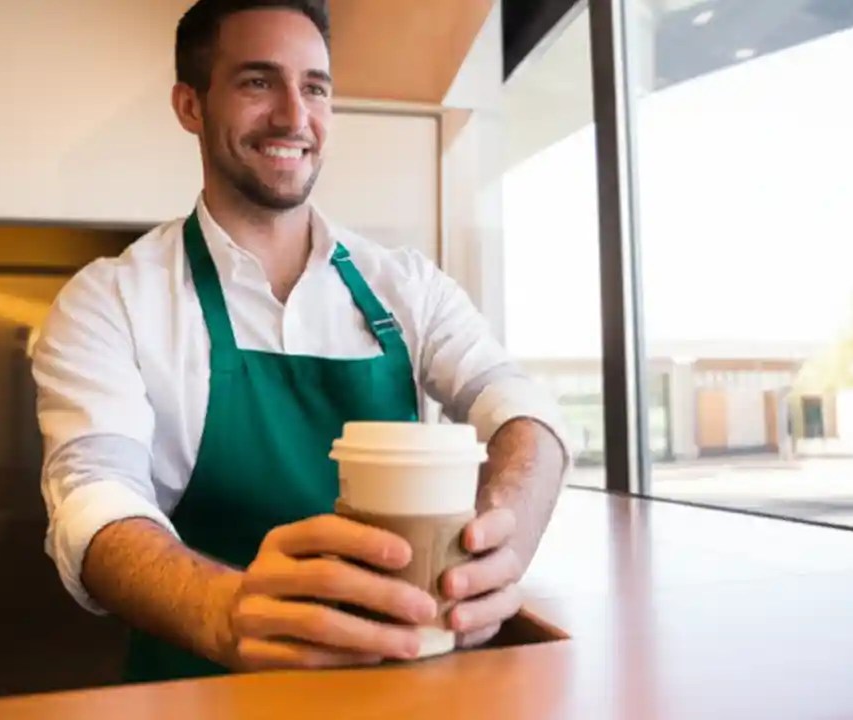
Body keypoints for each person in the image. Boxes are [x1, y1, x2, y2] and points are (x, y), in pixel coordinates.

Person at [31, 0, 568, 682]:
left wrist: (504, 535)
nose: (293, 115)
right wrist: (224, 609)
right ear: (190, 106)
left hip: (396, 683)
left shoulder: (407, 287)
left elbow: (525, 409)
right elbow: (94, 501)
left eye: (314, 86)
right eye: (258, 82)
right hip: (196, 688)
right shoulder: (110, 300)